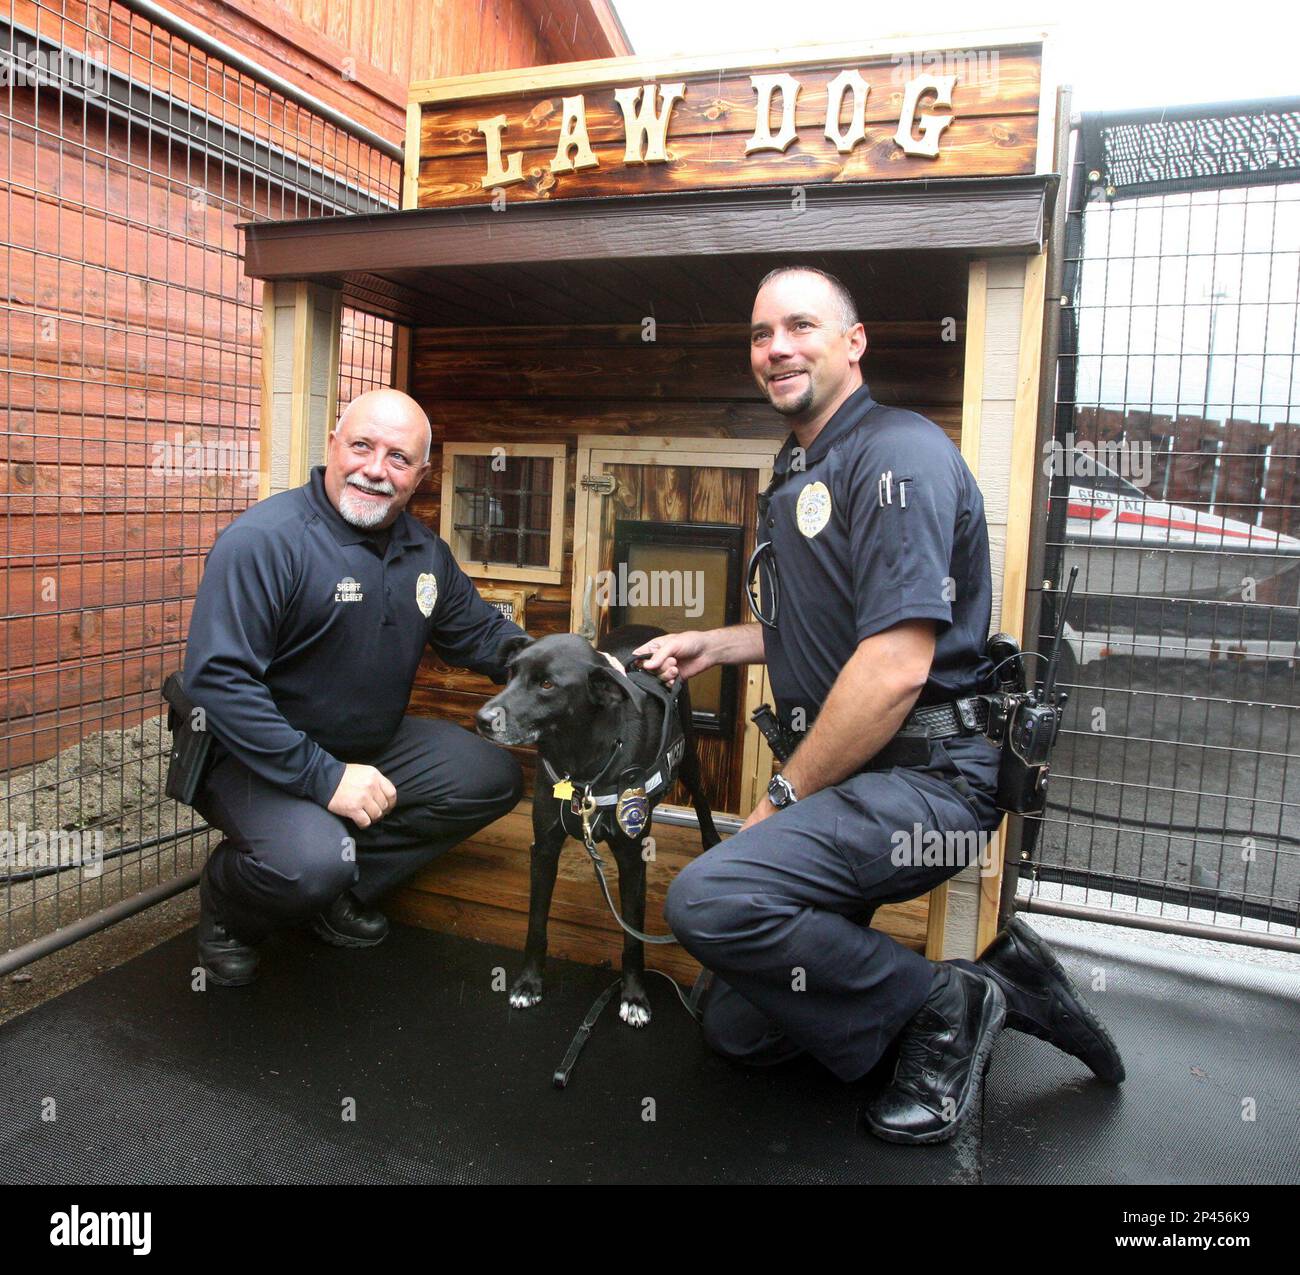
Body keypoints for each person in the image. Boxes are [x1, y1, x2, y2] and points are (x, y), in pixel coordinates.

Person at [635, 267, 1124, 1145]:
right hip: (859, 779)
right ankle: (1013, 982)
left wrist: (780, 798)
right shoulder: (803, 466)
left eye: (799, 326)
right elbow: (827, 632)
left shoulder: (898, 454)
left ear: (852, 343)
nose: (776, 347)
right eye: (759, 334)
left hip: (929, 784)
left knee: (709, 901)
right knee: (738, 1030)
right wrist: (717, 643)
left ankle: (953, 997)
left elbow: (896, 667)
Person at [183, 388, 524, 986]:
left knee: (489, 778)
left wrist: (575, 663)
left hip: (369, 745)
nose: (374, 469)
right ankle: (228, 908)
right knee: (307, 863)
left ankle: (340, 888)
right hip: (252, 756)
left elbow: (482, 637)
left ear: (419, 475)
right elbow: (218, 681)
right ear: (333, 446)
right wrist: (325, 777)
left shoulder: (425, 553)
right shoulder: (266, 541)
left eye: (397, 457)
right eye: (362, 446)